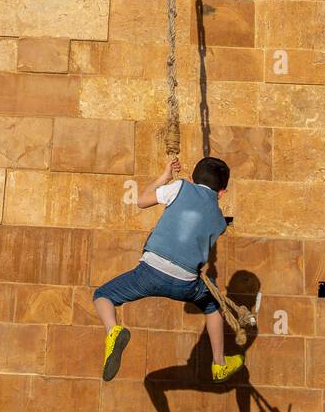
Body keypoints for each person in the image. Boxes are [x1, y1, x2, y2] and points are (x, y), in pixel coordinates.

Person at [93, 155, 242, 384]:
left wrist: (163, 176)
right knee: (212, 308)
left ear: (192, 178)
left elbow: (142, 201)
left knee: (102, 296)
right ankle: (219, 364)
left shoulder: (181, 187)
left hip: (150, 272)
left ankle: (113, 331)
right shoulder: (220, 223)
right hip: (186, 283)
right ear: (222, 192)